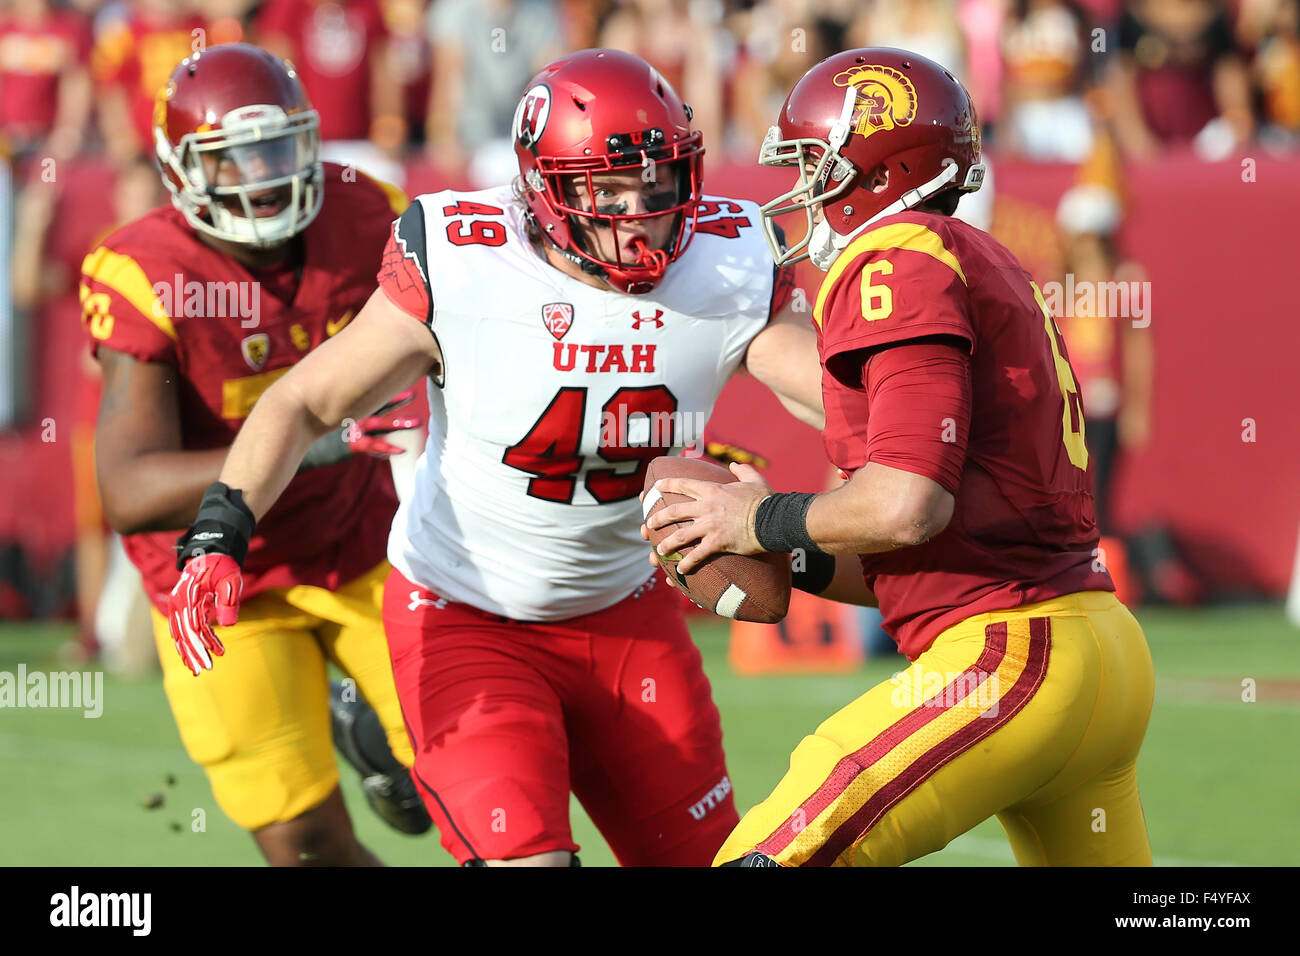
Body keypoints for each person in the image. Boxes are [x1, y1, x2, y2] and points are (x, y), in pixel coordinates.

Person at [165, 48, 825, 867]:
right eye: (605, 190)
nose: (640, 214)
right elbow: (305, 400)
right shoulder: (466, 261)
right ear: (546, 191)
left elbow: (837, 398)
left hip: (627, 613)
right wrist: (220, 531)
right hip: (467, 616)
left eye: (658, 183)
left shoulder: (730, 256)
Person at [645, 48, 1155, 867]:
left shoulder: (895, 258)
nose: (806, 186)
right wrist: (777, 546)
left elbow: (907, 505)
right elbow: (910, 550)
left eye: (815, 163)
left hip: (1010, 653)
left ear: (873, 165)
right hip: (1096, 649)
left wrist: (758, 515)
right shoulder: (974, 256)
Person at [81, 43, 429, 865]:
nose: (264, 178)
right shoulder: (146, 272)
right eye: (232, 159)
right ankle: (361, 720)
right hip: (216, 580)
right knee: (302, 839)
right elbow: (129, 489)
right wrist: (313, 443)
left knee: (483, 775)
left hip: (360, 548)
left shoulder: (368, 214)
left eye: (278, 149)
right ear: (179, 169)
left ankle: (377, 732)